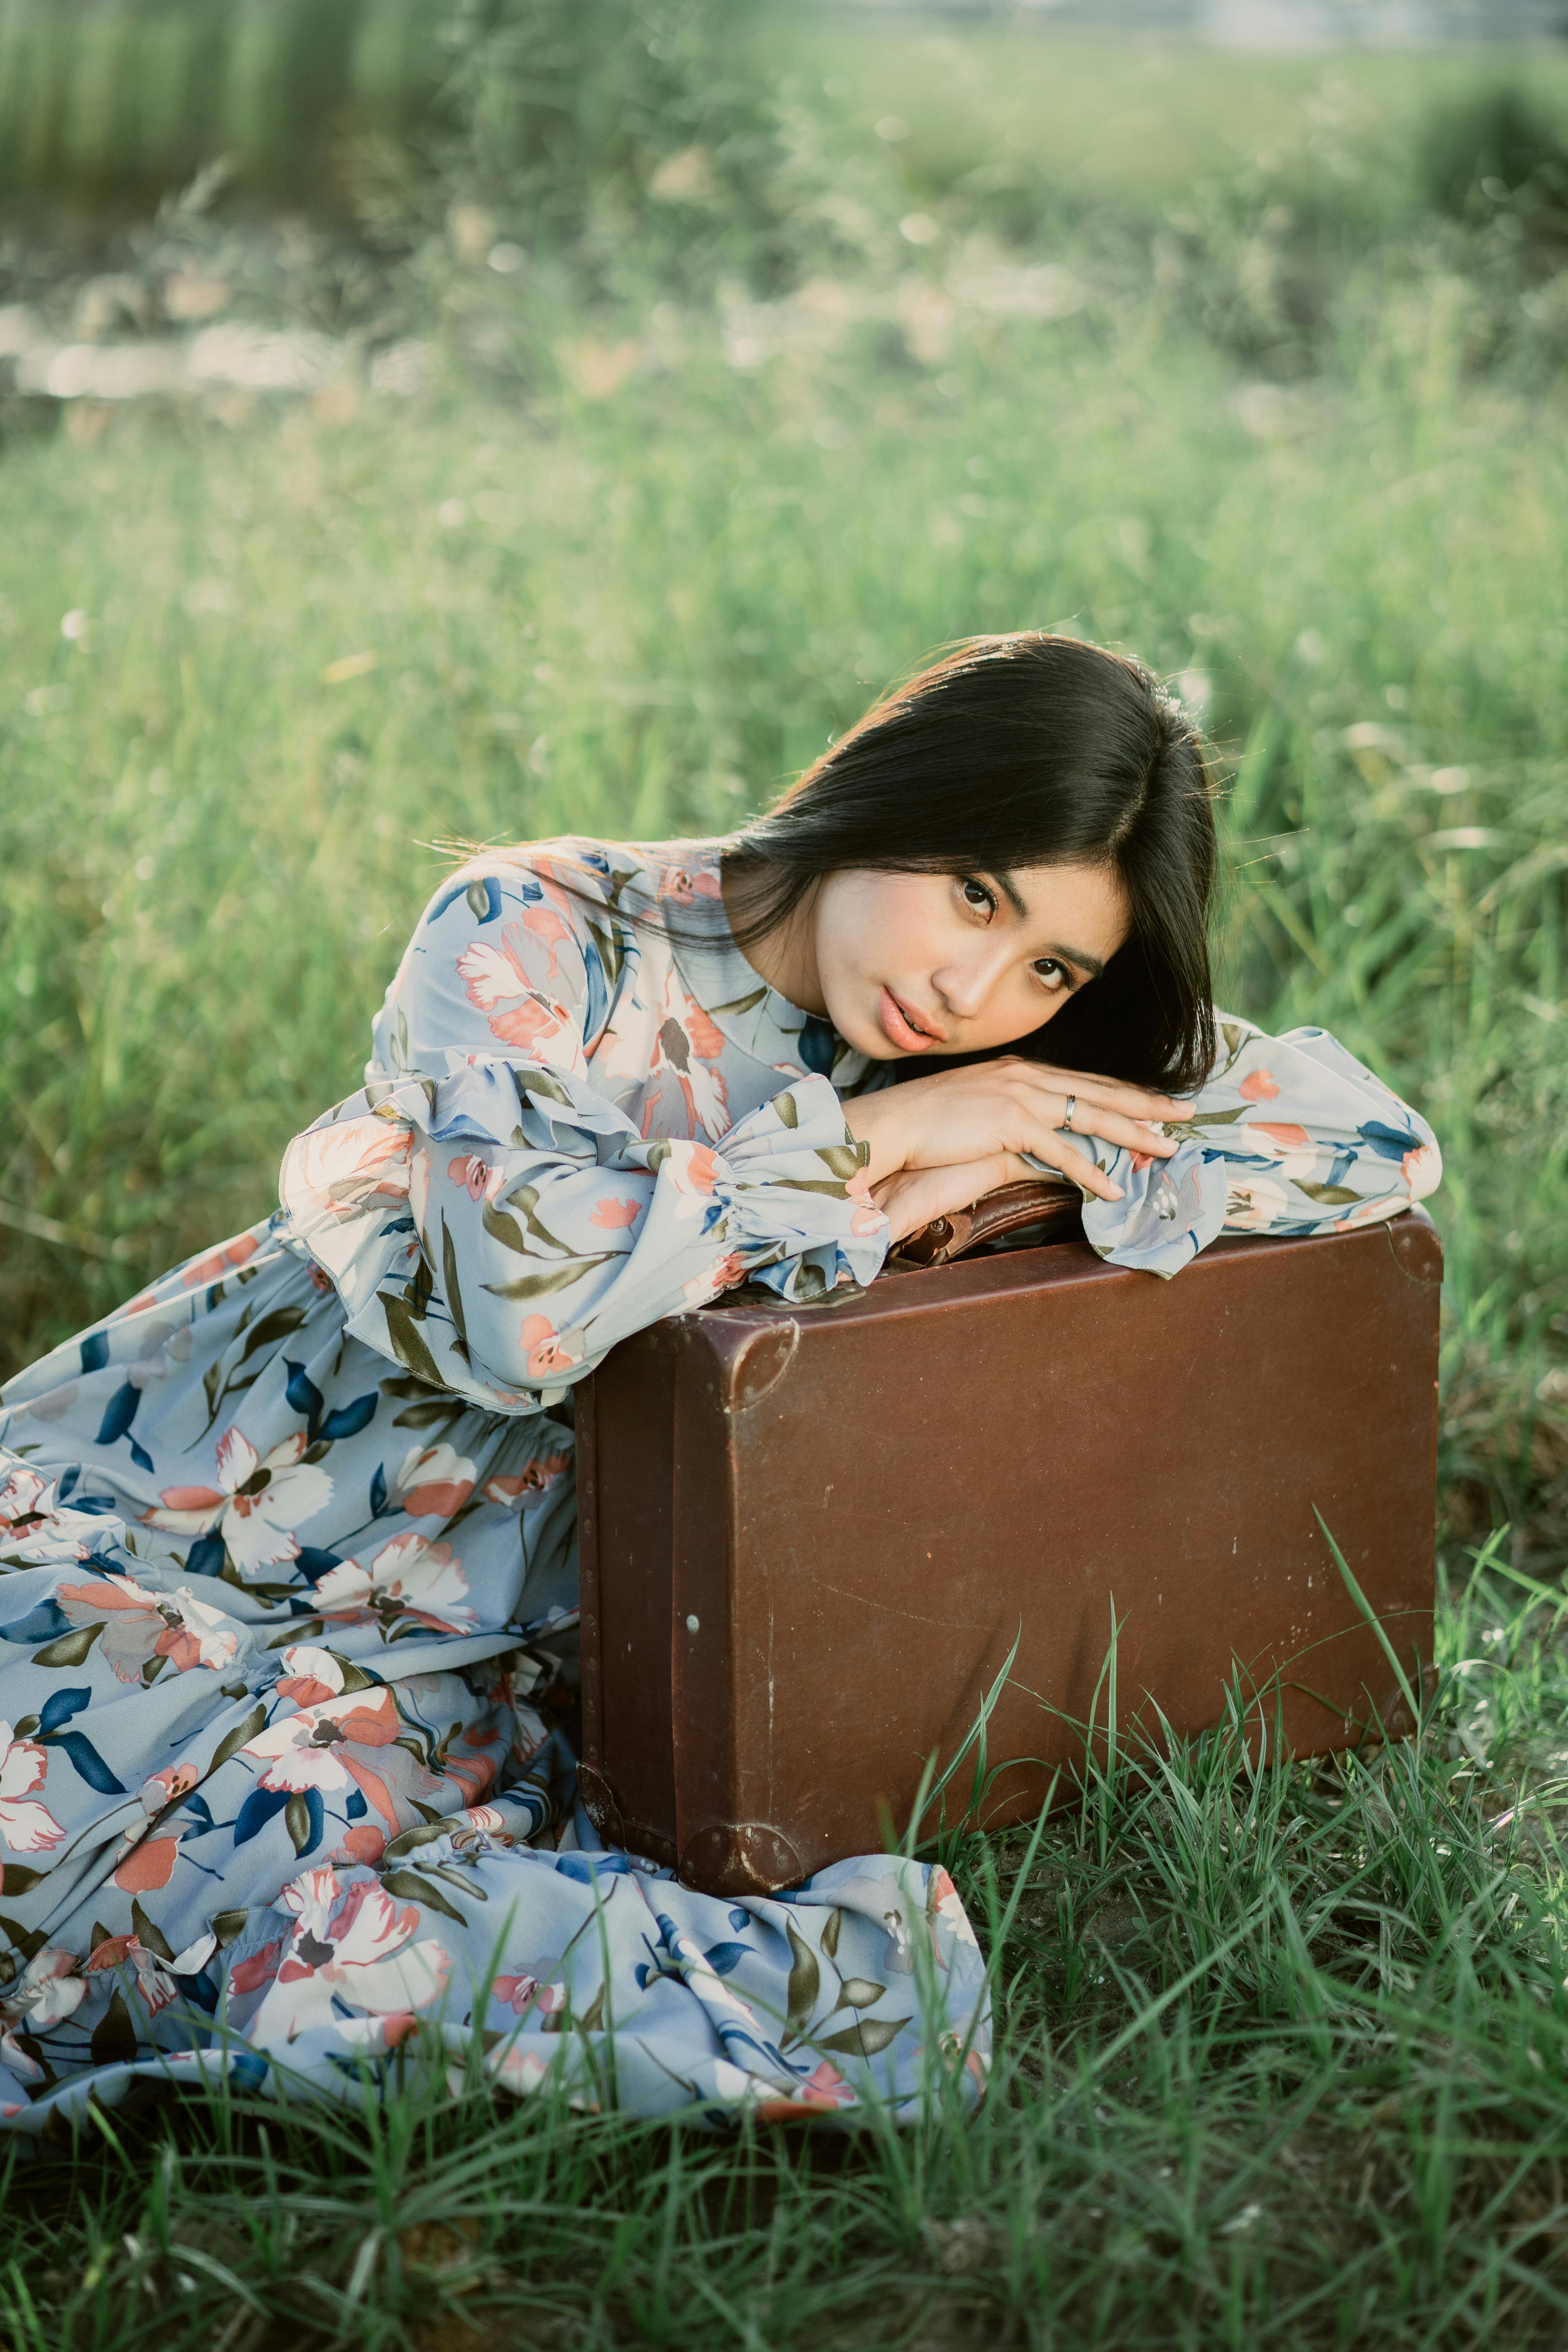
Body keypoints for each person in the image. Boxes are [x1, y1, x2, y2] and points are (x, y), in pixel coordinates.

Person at [0, 633, 1438, 2134]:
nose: (971, 990)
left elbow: (1373, 1141)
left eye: (1050, 968)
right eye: (976, 892)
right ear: (902, 789)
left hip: (481, 1634)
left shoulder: (1001, 1060)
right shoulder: (538, 925)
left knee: (252, 1904)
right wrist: (875, 1143)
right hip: (194, 1495)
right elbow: (513, 1304)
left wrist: (1004, 1147)